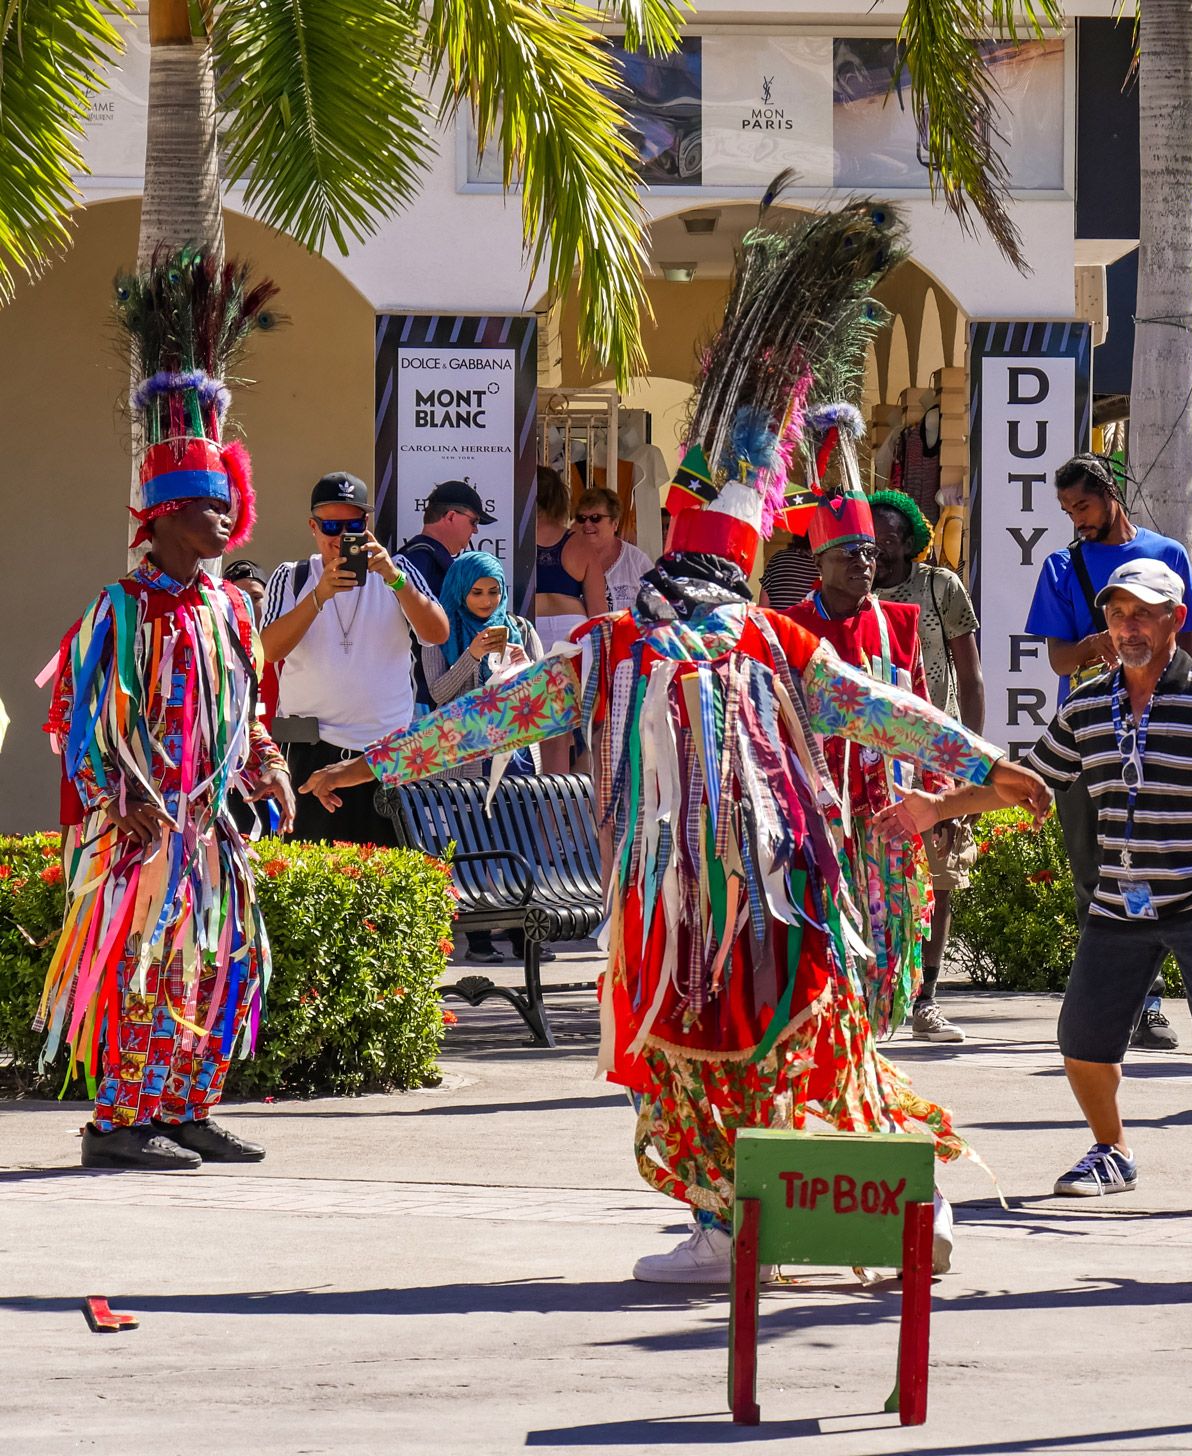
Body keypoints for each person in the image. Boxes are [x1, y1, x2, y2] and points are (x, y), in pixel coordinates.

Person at [297, 195, 1051, 1285]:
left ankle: (740, 1221)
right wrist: (984, 763)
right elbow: (882, 710)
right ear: (739, 565)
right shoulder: (771, 638)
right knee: (807, 1035)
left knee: (700, 1053)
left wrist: (366, 762)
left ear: (676, 557)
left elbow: (480, 716)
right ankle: (873, 1206)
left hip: (678, 903)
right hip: (784, 889)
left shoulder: (618, 643)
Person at [889, 558, 1192, 1210]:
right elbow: (1029, 781)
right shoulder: (1086, 707)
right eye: (1116, 614)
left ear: (1176, 620)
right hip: (1124, 893)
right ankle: (1113, 1152)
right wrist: (937, 808)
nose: (1127, 625)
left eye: (1142, 613)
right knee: (1082, 1036)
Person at [41, 250, 294, 1170]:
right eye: (202, 506)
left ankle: (187, 1105)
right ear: (161, 516)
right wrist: (122, 796)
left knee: (215, 964)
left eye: (227, 503)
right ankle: (117, 1124)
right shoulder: (123, 609)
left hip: (211, 822)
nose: (223, 519)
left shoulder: (229, 608)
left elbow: (246, 706)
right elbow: (82, 718)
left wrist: (264, 760)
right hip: (142, 826)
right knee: (145, 967)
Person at [1024, 453, 1192, 1053]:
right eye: (1067, 510)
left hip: (1163, 732)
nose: (1076, 519)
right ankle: (1111, 1001)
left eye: (1083, 505)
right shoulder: (1061, 566)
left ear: (1110, 494)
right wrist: (1095, 643)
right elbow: (1057, 661)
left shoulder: (1168, 554)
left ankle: (1149, 1005)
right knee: (1091, 870)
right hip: (1091, 738)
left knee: (1159, 862)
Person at [784, 478, 938, 1043]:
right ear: (819, 561)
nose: (864, 563)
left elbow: (919, 709)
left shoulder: (899, 623)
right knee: (823, 936)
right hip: (815, 815)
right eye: (849, 553)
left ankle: (868, 1042)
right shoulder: (790, 628)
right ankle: (825, 1043)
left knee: (887, 943)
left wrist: (938, 792)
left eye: (871, 553)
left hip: (886, 810)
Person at [260, 473, 449, 845]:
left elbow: (436, 634)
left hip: (385, 754)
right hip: (309, 751)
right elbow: (269, 650)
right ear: (313, 527)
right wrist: (319, 596)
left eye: (353, 525)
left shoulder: (400, 572)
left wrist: (393, 578)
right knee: (307, 882)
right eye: (331, 525)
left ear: (368, 526)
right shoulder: (293, 576)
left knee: (389, 881)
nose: (341, 537)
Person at [871, 488, 985, 1043]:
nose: (878, 552)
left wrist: (972, 766)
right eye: (869, 541)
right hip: (871, 760)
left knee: (939, 879)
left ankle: (926, 998)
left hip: (935, 755)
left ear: (911, 541)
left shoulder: (941, 589)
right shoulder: (850, 593)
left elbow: (971, 678)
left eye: (889, 541)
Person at [419, 550, 547, 964]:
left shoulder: (521, 629)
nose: (487, 602)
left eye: (494, 592)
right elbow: (439, 695)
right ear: (460, 591)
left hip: (519, 757)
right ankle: (477, 939)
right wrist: (472, 656)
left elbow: (543, 690)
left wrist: (520, 666)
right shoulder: (440, 632)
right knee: (475, 846)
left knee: (520, 847)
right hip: (469, 758)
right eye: (477, 592)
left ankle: (523, 935)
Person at [396, 479, 497, 711]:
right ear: (451, 516)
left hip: (445, 697)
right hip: (421, 699)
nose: (476, 530)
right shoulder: (413, 562)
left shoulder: (431, 561)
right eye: (474, 521)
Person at [534, 465, 605, 773]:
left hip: (532, 631)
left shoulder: (514, 538)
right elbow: (599, 610)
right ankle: (565, 805)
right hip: (573, 634)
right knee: (573, 729)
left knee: (534, 724)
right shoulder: (579, 543)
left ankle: (538, 806)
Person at [573, 485, 655, 612]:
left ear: (615, 523)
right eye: (582, 518)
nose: (587, 524)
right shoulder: (567, 558)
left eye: (596, 518)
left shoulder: (636, 561)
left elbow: (657, 607)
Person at [757, 528, 819, 610]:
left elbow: (763, 607)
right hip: (804, 622)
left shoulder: (777, 558)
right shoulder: (820, 566)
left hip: (776, 621)